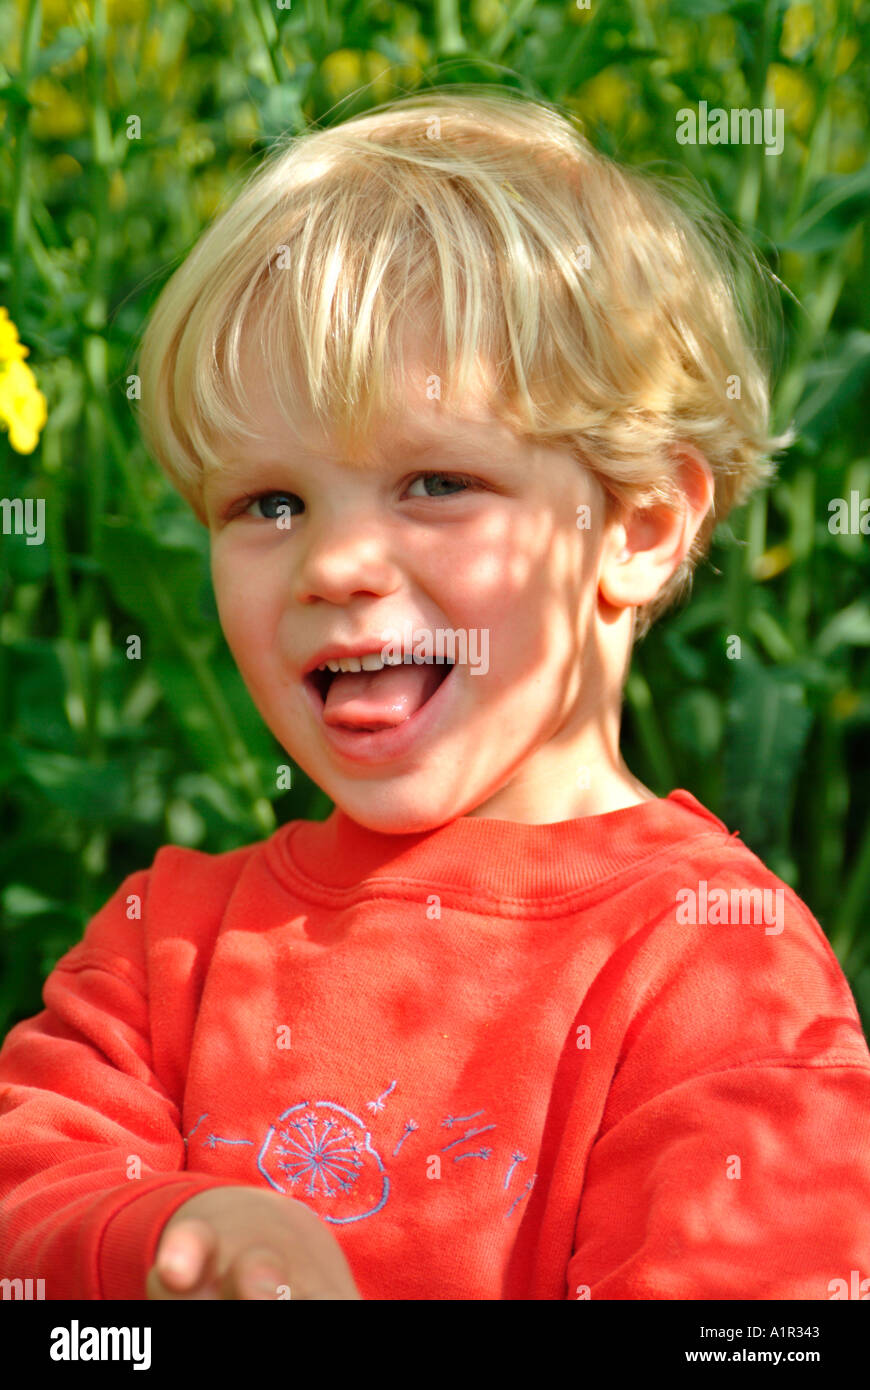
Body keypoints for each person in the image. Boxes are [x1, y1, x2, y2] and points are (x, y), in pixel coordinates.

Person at [1, 87, 868, 1301]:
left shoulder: (715, 966)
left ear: (640, 525)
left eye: (436, 483)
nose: (336, 564)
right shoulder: (166, 948)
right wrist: (174, 1234)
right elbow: (32, 1198)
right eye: (270, 503)